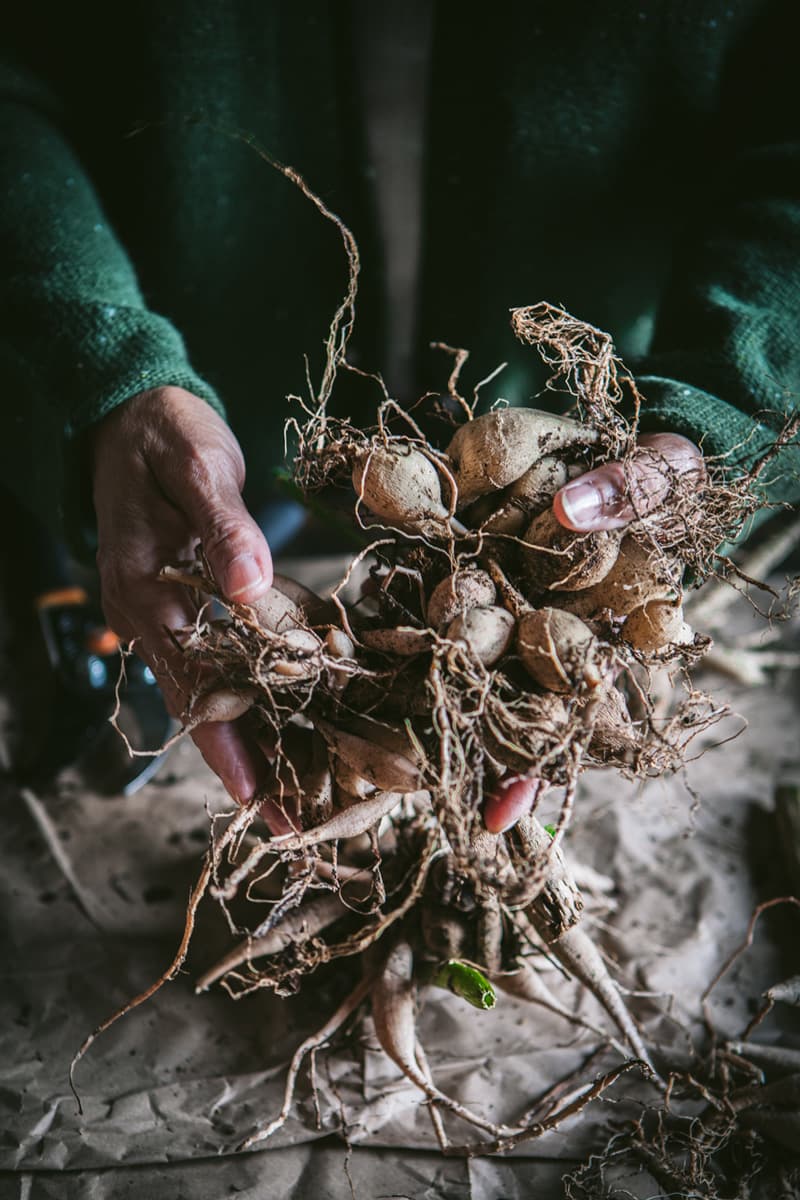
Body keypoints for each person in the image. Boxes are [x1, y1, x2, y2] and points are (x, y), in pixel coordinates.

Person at [2, 2, 798, 819]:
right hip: (205, 407)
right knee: (223, 567)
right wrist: (104, 375)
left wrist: (727, 400)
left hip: (578, 416)